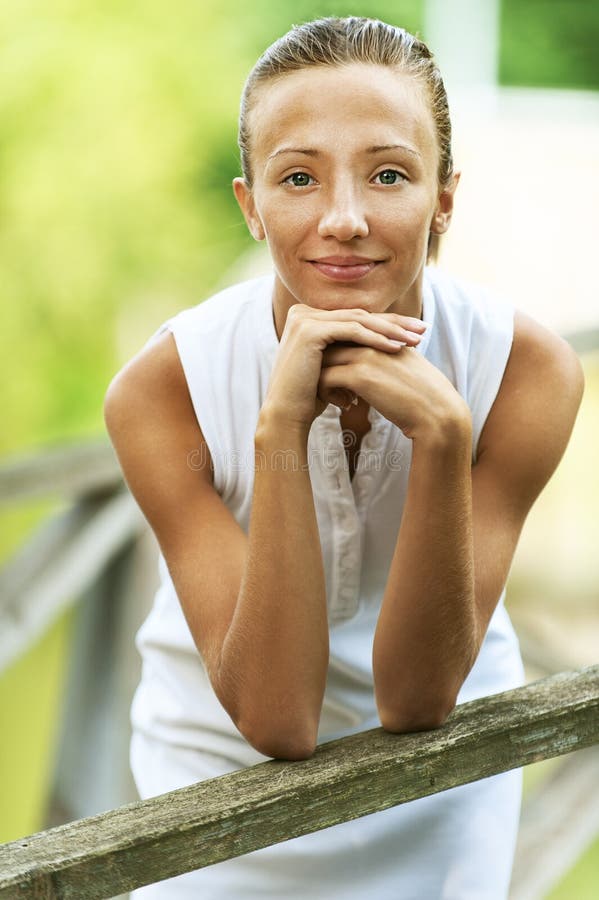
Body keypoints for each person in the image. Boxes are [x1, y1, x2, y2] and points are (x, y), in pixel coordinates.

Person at [104, 16, 584, 899]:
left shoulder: (527, 372)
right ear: (251, 206)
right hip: (212, 788)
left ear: (444, 199)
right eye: (298, 178)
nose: (344, 219)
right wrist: (280, 431)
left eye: (389, 174)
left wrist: (441, 438)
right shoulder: (162, 389)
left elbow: (417, 700)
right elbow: (276, 718)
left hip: (441, 777)